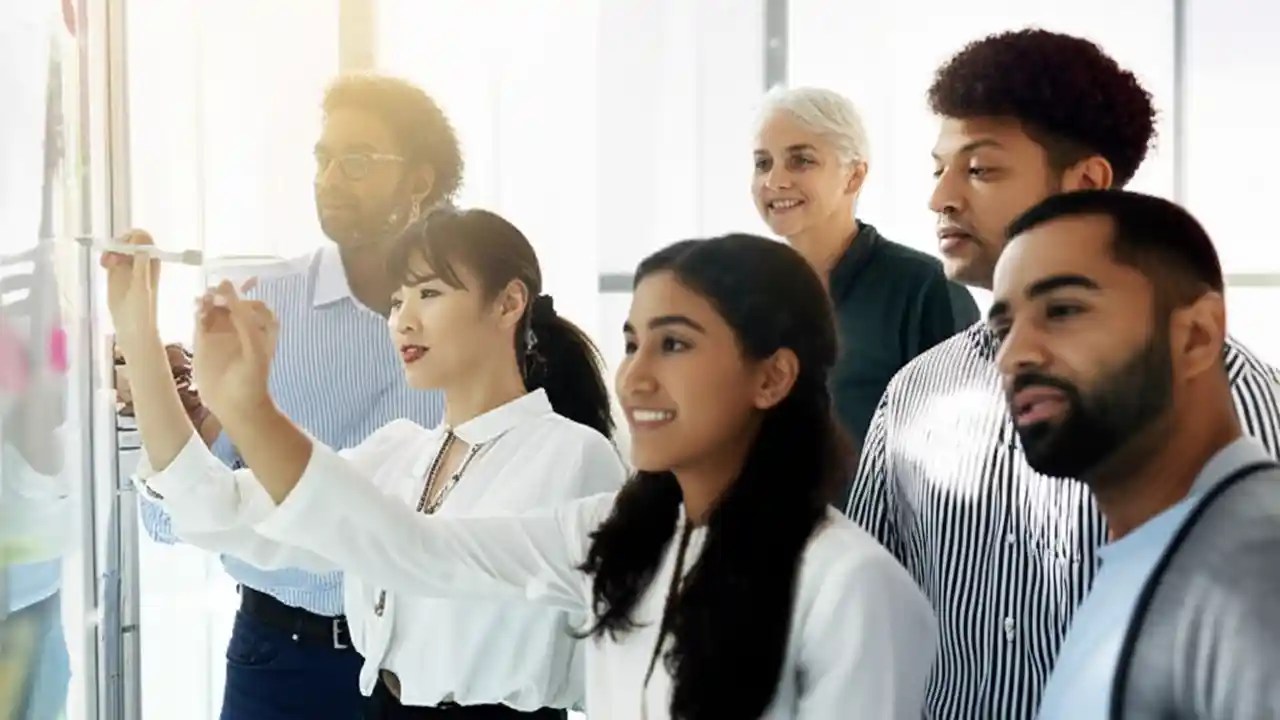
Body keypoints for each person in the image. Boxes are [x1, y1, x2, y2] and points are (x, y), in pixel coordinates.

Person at [134, 233, 938, 720]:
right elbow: (411, 551)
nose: (637, 378)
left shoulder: (853, 588)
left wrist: (251, 411)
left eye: (678, 344)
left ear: (772, 377)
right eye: (633, 343)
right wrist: (234, 398)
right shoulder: (613, 535)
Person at [844, 29, 1280, 720]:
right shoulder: (914, 396)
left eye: (980, 170)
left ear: (1086, 184)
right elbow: (862, 620)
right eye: (939, 170)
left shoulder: (1219, 387)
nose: (941, 199)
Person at [108, 208, 626, 718]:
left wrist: (249, 408)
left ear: (509, 302)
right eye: (397, 300)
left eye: (429, 293)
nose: (404, 320)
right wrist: (140, 338)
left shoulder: (574, 457)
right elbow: (225, 511)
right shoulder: (401, 451)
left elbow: (619, 665)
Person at [128, 73, 459, 719]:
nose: (329, 178)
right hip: (282, 657)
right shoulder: (261, 308)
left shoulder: (474, 323)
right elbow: (169, 520)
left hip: (430, 660)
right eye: (323, 158)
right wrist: (187, 418)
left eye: (357, 161)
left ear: (419, 181)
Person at [988, 190, 1280, 718]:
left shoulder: (1256, 567)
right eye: (1003, 328)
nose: (1013, 355)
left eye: (1063, 310)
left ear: (1196, 336)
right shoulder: (1155, 546)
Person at [752, 87, 977, 472]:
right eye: (763, 163)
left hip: (882, 530)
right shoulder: (743, 293)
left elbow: (969, 448)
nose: (774, 180)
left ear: (854, 176)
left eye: (801, 161)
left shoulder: (926, 289)